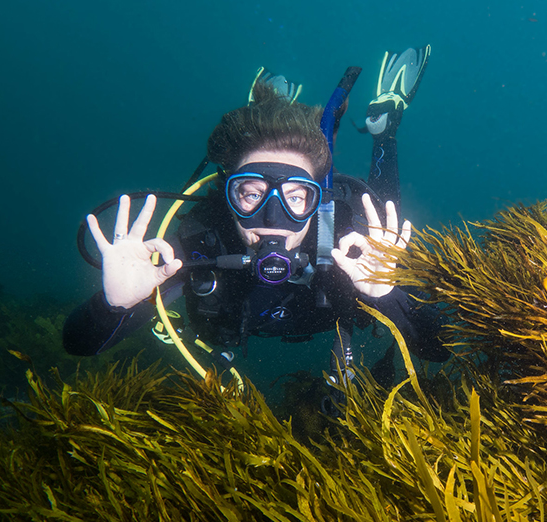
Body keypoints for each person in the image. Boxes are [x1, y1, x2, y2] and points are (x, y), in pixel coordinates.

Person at [62, 46, 449, 390]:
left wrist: (387, 293)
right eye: (251, 194)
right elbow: (78, 345)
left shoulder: (348, 241)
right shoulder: (200, 243)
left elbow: (438, 351)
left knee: (383, 215)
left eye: (297, 197)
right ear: (229, 194)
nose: (273, 218)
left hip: (349, 236)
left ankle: (384, 129)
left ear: (319, 200)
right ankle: (262, 114)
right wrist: (113, 306)